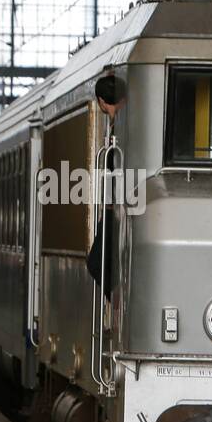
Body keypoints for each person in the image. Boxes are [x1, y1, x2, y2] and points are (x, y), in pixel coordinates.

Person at [86, 71, 126, 297]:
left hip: (118, 207)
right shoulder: (121, 121)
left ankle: (118, 300)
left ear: (101, 102)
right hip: (118, 204)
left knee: (96, 263)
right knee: (98, 262)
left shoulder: (121, 124)